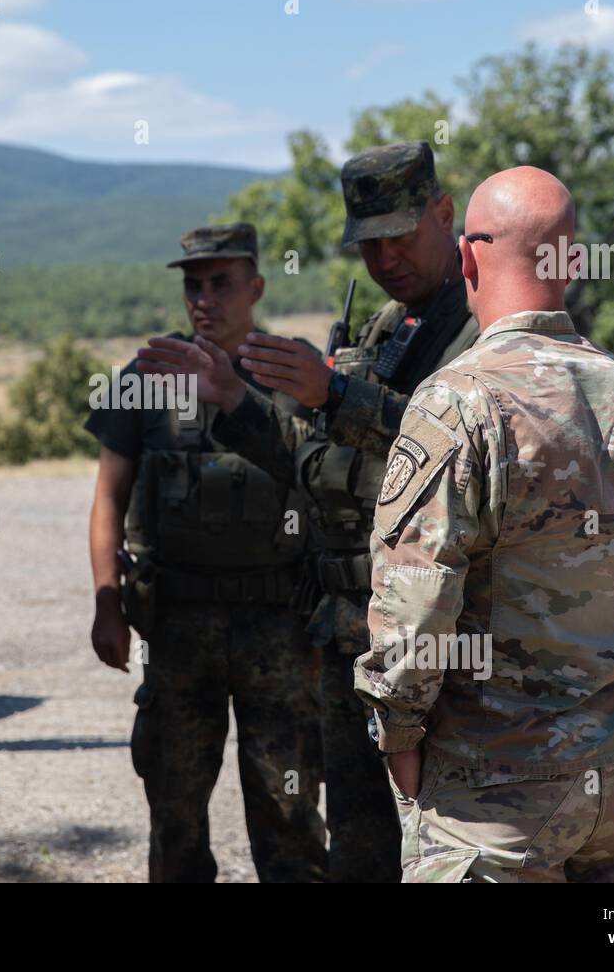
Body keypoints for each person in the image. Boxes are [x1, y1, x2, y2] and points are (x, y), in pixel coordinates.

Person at [137, 142, 477, 882]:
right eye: (368, 242)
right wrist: (236, 403)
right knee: (358, 841)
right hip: (352, 627)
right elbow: (322, 466)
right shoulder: (390, 327)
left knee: (444, 840)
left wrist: (338, 395)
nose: (383, 256)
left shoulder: (478, 328)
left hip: (436, 631)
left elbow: (468, 447)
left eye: (399, 234)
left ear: (444, 214)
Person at [357, 165, 614, 883]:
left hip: (498, 789)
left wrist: (399, 733)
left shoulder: (457, 401)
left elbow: (414, 599)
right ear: (570, 261)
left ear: (468, 256)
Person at [86, 223, 327, 883]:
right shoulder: (147, 377)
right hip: (178, 625)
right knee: (174, 809)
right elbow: (109, 496)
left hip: (279, 623)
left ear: (256, 286)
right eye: (194, 284)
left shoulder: (294, 370)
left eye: (222, 283)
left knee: (290, 810)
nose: (205, 298)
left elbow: (333, 489)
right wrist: (107, 599)